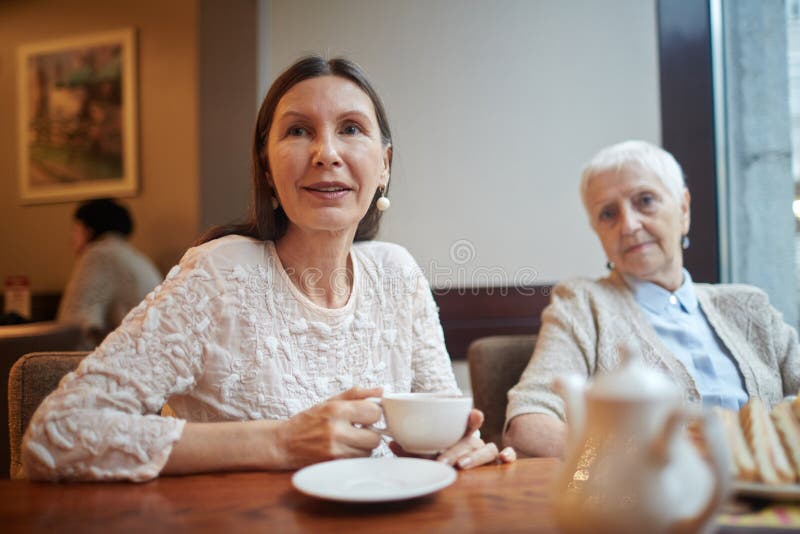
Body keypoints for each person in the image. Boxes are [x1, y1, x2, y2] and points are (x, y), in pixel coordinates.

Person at [24, 56, 514, 481]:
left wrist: (459, 448)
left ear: (383, 164)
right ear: (265, 166)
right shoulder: (220, 273)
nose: (326, 153)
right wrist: (281, 442)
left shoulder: (398, 272)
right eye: (299, 131)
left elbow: (445, 424)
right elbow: (58, 433)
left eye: (351, 129)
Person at [504, 140, 800, 458]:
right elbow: (527, 426)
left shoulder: (749, 305)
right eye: (608, 214)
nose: (629, 225)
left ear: (683, 209)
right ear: (598, 232)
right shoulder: (582, 304)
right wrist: (638, 465)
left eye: (645, 201)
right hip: (653, 501)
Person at [57, 198, 162, 349]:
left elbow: (73, 327)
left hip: (130, 357)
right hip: (152, 353)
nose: (71, 239)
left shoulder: (98, 255)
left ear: (88, 230)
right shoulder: (134, 257)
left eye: (75, 229)